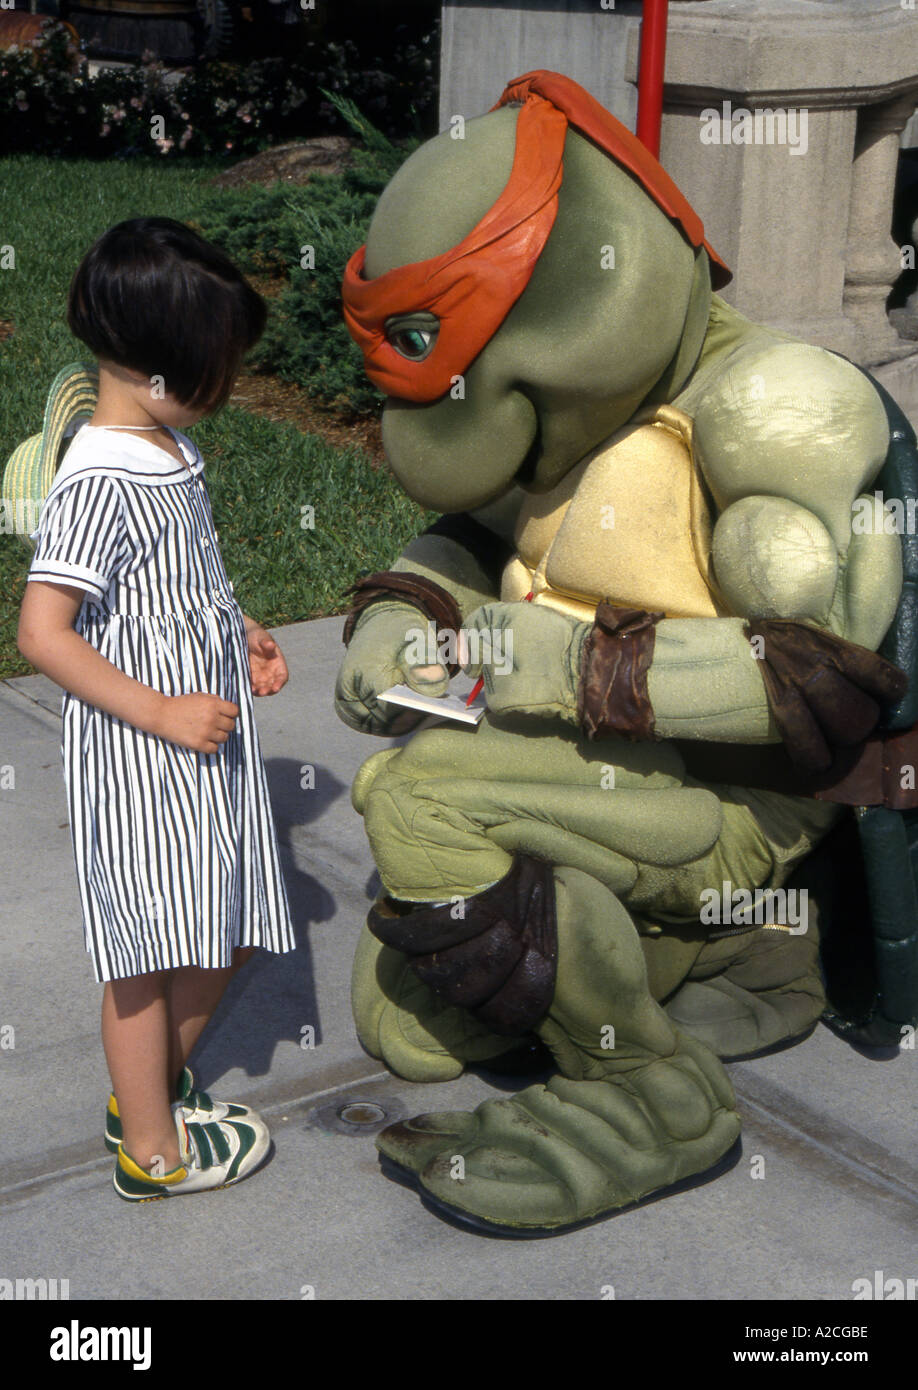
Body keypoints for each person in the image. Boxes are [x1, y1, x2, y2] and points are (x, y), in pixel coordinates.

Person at [17, 217, 296, 1200]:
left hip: (201, 741)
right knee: (146, 952)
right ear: (164, 368)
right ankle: (151, 1148)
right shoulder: (99, 478)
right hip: (142, 760)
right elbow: (43, 633)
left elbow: (181, 583)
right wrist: (164, 711)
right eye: (222, 366)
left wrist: (242, 628)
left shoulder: (165, 448)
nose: (231, 384)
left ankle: (148, 1094)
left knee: (229, 925)